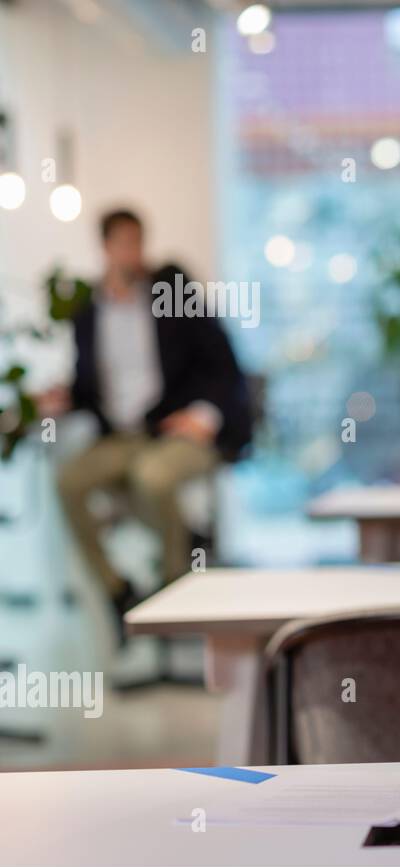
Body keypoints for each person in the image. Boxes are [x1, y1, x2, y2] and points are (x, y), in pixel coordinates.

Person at [39, 209, 252, 639]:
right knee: (69, 482)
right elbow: (89, 386)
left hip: (173, 429)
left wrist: (203, 415)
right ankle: (119, 590)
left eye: (138, 241)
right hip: (119, 435)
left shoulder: (170, 289)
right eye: (123, 243)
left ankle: (175, 591)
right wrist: (59, 398)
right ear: (105, 247)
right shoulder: (87, 312)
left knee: (151, 477)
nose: (132, 252)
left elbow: (224, 364)